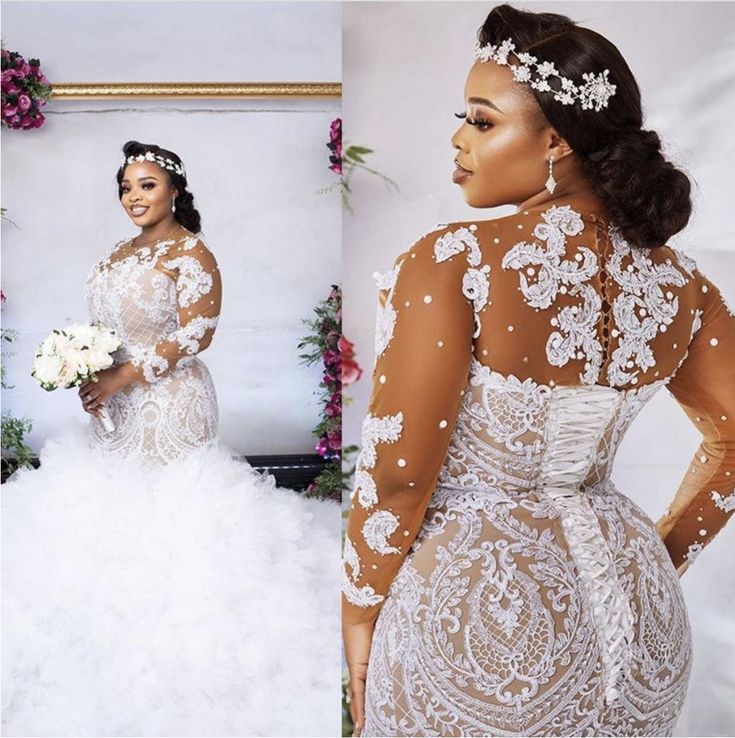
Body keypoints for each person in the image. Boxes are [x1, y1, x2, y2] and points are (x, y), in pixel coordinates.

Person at [342, 5, 735, 736]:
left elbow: (398, 480)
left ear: (553, 139)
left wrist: (358, 616)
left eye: (482, 122)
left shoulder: (455, 261)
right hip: (640, 621)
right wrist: (657, 555)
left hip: (476, 623)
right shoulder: (683, 286)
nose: (458, 140)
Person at [2, 140, 341, 737]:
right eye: (126, 187)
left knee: (171, 512)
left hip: (170, 401)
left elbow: (197, 335)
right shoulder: (114, 254)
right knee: (116, 507)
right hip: (114, 402)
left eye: (146, 185)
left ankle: (178, 651)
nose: (133, 197)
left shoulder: (192, 253)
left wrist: (123, 375)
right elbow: (107, 329)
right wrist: (86, 369)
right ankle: (114, 639)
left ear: (175, 190)